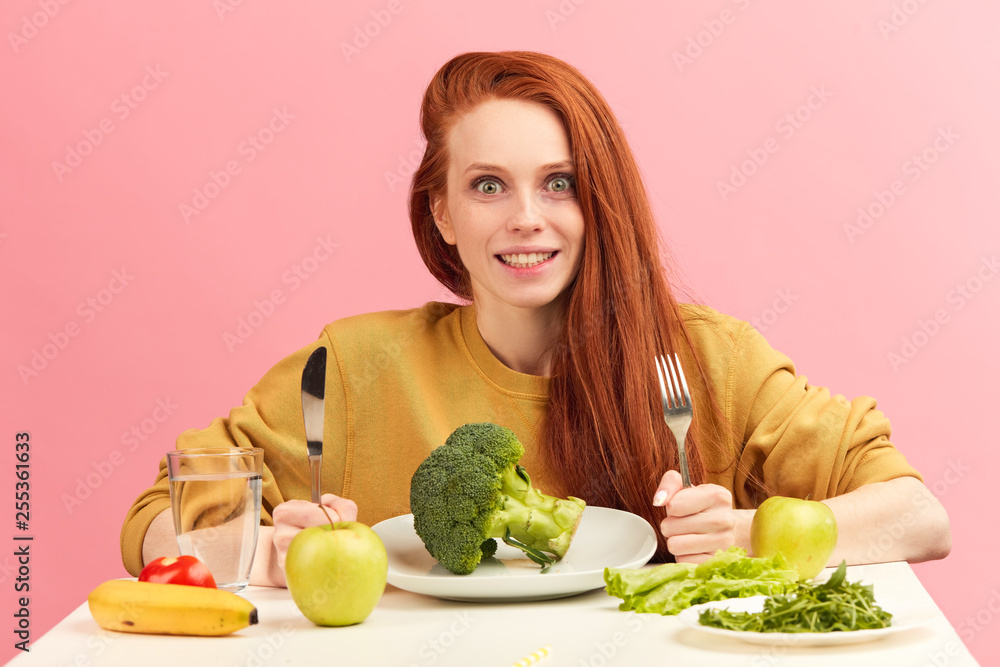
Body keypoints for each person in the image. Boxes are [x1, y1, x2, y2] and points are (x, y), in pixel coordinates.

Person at [121, 51, 951, 587]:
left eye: (559, 183)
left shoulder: (702, 358)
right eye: (488, 185)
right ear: (442, 213)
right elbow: (154, 514)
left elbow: (918, 515)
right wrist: (257, 552)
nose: (528, 218)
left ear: (599, 201)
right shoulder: (351, 363)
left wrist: (746, 535)